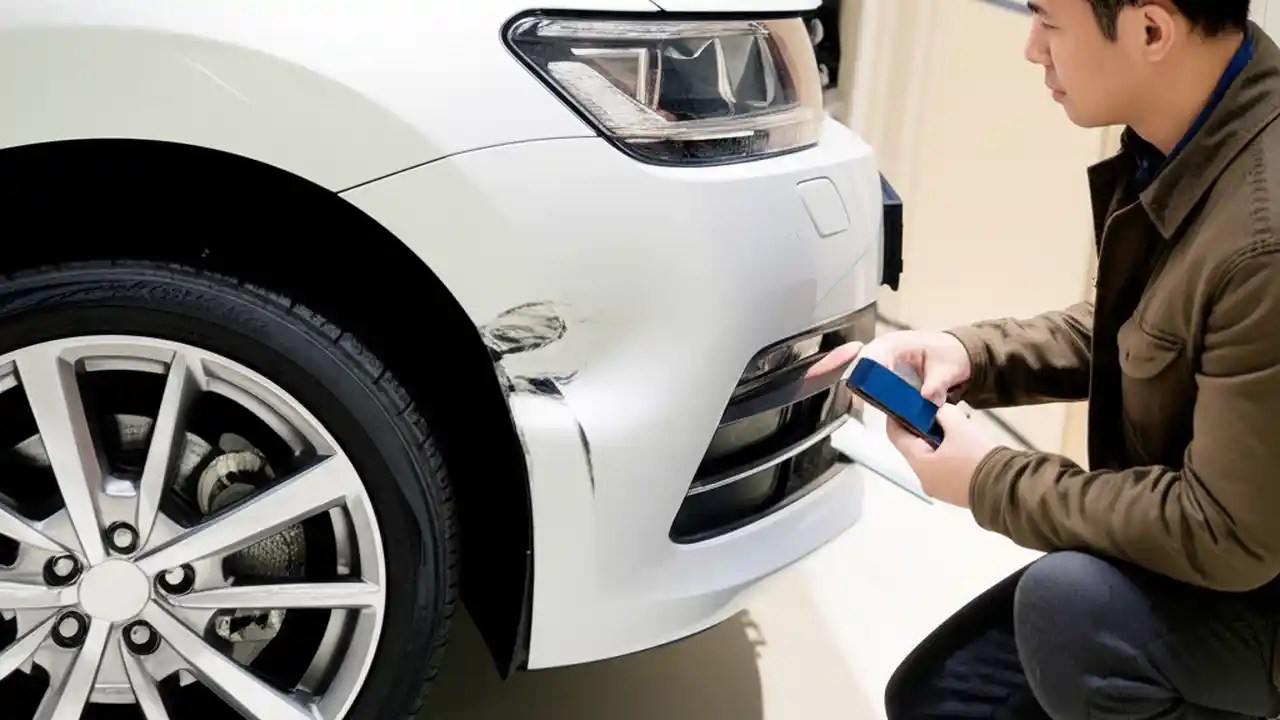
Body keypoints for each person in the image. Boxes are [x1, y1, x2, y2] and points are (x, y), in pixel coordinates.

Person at [825, 0, 1280, 716]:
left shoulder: (1263, 234)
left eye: (1048, 21)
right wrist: (968, 353)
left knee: (1071, 608)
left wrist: (990, 479)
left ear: (1151, 30)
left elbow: (1224, 531)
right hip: (1230, 556)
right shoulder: (1195, 135)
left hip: (1251, 580)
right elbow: (1140, 331)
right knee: (938, 699)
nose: (1032, 48)